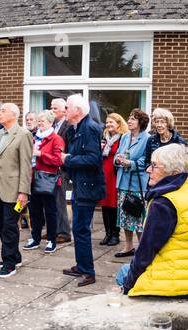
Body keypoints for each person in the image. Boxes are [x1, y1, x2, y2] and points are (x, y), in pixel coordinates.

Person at [115, 143, 188, 297]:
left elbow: (145, 252)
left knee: (124, 273)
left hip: (183, 284)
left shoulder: (164, 202)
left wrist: (127, 288)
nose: (148, 170)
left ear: (173, 172)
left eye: (154, 166)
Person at [59, 94, 105, 287]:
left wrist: (68, 159)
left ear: (77, 110)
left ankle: (88, 272)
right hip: (80, 184)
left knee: (81, 229)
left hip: (88, 186)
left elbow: (93, 159)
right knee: (78, 229)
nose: (65, 111)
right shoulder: (76, 128)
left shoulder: (89, 128)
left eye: (67, 107)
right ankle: (81, 265)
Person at [0, 103, 32, 278]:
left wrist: (23, 191)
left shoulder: (23, 135)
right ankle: (15, 256)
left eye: (3, 111)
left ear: (14, 115)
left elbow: (26, 166)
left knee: (10, 225)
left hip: (14, 188)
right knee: (1, 224)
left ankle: (9, 263)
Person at [23, 110, 65, 253]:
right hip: (33, 178)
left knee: (50, 211)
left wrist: (40, 154)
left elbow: (58, 160)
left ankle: (51, 240)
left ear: (50, 122)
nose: (39, 123)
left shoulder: (56, 139)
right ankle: (35, 238)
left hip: (48, 180)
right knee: (34, 211)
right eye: (39, 121)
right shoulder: (34, 137)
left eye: (42, 121)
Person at [113, 108, 150, 258]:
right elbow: (117, 153)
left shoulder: (147, 138)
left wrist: (132, 163)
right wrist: (118, 160)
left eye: (133, 119)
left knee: (138, 216)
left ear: (141, 122)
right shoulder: (125, 136)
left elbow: (146, 160)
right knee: (125, 216)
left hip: (138, 184)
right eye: (129, 118)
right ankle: (128, 246)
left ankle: (142, 248)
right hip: (123, 182)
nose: (129, 121)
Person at [98, 114, 130, 247]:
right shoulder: (104, 137)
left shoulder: (123, 137)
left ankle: (115, 235)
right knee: (105, 205)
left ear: (118, 124)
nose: (108, 124)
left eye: (111, 122)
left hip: (115, 175)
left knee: (114, 205)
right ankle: (107, 234)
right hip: (104, 174)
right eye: (107, 122)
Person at [50, 98, 73, 243]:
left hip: (63, 169)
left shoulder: (68, 126)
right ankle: (53, 230)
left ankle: (64, 233)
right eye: (51, 108)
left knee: (60, 201)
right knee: (51, 201)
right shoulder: (52, 125)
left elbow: (70, 147)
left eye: (55, 108)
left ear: (64, 111)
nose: (52, 111)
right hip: (51, 168)